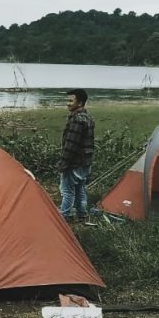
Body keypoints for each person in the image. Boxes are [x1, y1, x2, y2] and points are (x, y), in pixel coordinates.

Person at [59, 89, 95, 222]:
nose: (67, 103)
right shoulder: (88, 117)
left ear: (80, 102)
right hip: (85, 162)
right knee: (80, 189)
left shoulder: (77, 120)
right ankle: (81, 214)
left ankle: (64, 216)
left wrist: (63, 163)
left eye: (70, 100)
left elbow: (71, 144)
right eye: (67, 100)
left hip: (75, 162)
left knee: (67, 191)